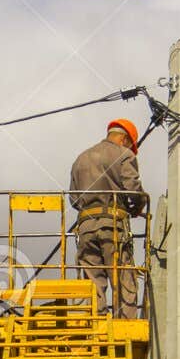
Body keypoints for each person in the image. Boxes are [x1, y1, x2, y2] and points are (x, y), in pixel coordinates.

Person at [69, 118, 145, 318]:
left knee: (92, 280)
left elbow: (74, 199)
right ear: (124, 139)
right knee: (123, 278)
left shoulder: (81, 159)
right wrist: (137, 208)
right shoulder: (124, 155)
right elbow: (134, 191)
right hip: (112, 226)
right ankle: (125, 325)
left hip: (85, 227)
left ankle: (94, 323)